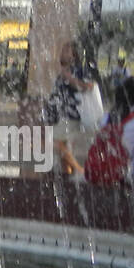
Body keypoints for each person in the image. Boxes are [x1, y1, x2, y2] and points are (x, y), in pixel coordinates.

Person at [44, 39, 98, 177]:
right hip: (61, 116)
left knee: (55, 142)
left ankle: (79, 170)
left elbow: (89, 86)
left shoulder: (78, 71)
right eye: (62, 49)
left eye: (66, 50)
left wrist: (70, 79)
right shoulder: (65, 72)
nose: (62, 52)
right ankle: (69, 174)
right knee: (65, 148)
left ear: (73, 56)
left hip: (72, 115)